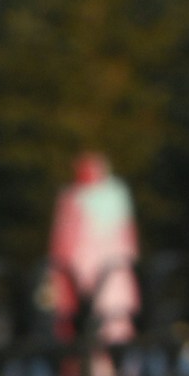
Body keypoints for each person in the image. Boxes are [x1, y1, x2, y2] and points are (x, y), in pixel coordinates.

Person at [43, 152, 139, 358]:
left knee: (94, 321)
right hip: (99, 269)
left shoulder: (74, 196)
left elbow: (63, 241)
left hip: (88, 268)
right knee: (104, 321)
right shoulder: (114, 194)